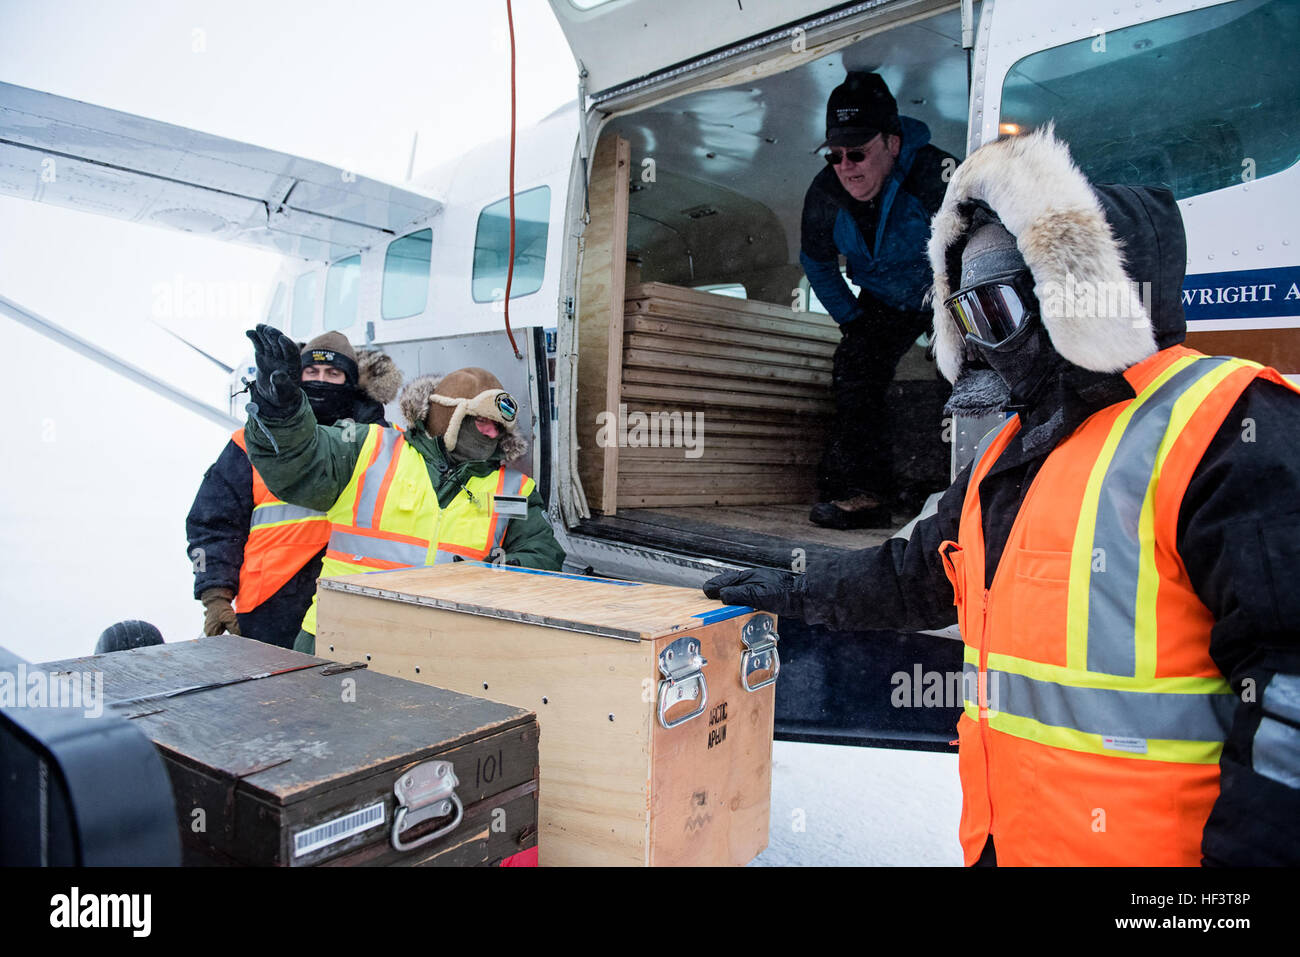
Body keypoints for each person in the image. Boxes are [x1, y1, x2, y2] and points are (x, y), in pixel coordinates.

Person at [706, 127, 1300, 866]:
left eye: (997, 313)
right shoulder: (1010, 455)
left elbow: (1288, 695)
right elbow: (914, 577)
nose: (987, 346)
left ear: (1064, 295)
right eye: (967, 319)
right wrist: (796, 585)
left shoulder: (1227, 427)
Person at [239, 324, 566, 655]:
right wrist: (279, 410)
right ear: (446, 417)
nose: (490, 433)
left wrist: (487, 578)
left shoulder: (513, 489)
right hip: (338, 644)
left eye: (497, 426)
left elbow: (543, 555)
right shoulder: (369, 449)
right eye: (480, 420)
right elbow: (299, 461)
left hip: (438, 655)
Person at [800, 71, 958, 529]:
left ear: (891, 143)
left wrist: (950, 319)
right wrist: (853, 320)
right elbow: (818, 263)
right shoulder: (824, 193)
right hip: (882, 297)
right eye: (836, 155)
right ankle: (865, 494)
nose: (846, 166)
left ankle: (957, 488)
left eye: (858, 153)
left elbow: (974, 248)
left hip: (943, 287)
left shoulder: (937, 175)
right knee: (855, 366)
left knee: (962, 367)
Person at [186, 332, 401, 648]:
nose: (321, 380)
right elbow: (213, 524)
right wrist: (215, 595)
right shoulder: (249, 444)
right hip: (267, 611)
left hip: (355, 606)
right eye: (311, 372)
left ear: (352, 382)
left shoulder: (387, 444)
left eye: (333, 373)